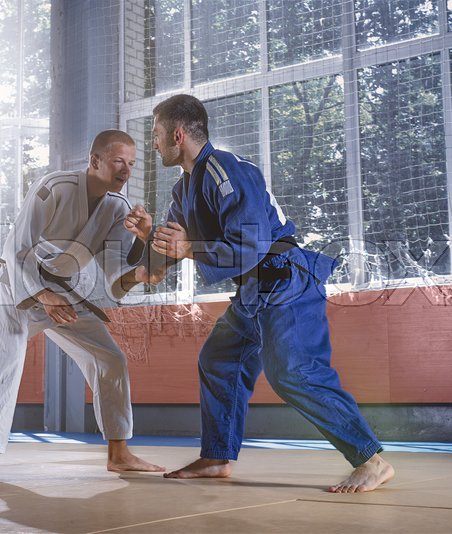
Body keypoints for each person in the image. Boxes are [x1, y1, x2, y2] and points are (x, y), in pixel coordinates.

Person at [124, 95, 394, 493]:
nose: (154, 142)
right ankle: (217, 457)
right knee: (219, 360)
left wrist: (192, 247)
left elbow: (248, 245)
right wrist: (150, 237)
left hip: (285, 279)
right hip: (253, 291)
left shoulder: (226, 170)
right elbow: (162, 263)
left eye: (157, 133)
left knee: (292, 372)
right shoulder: (183, 193)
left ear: (177, 135)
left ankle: (371, 460)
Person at [0, 130, 164, 485]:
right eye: (117, 162)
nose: (125, 170)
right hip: (16, 289)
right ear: (94, 161)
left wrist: (146, 250)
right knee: (5, 362)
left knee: (110, 358)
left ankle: (119, 453)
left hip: (64, 294)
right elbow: (17, 246)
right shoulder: (55, 186)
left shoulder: (118, 209)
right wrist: (42, 295)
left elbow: (114, 278)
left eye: (131, 163)